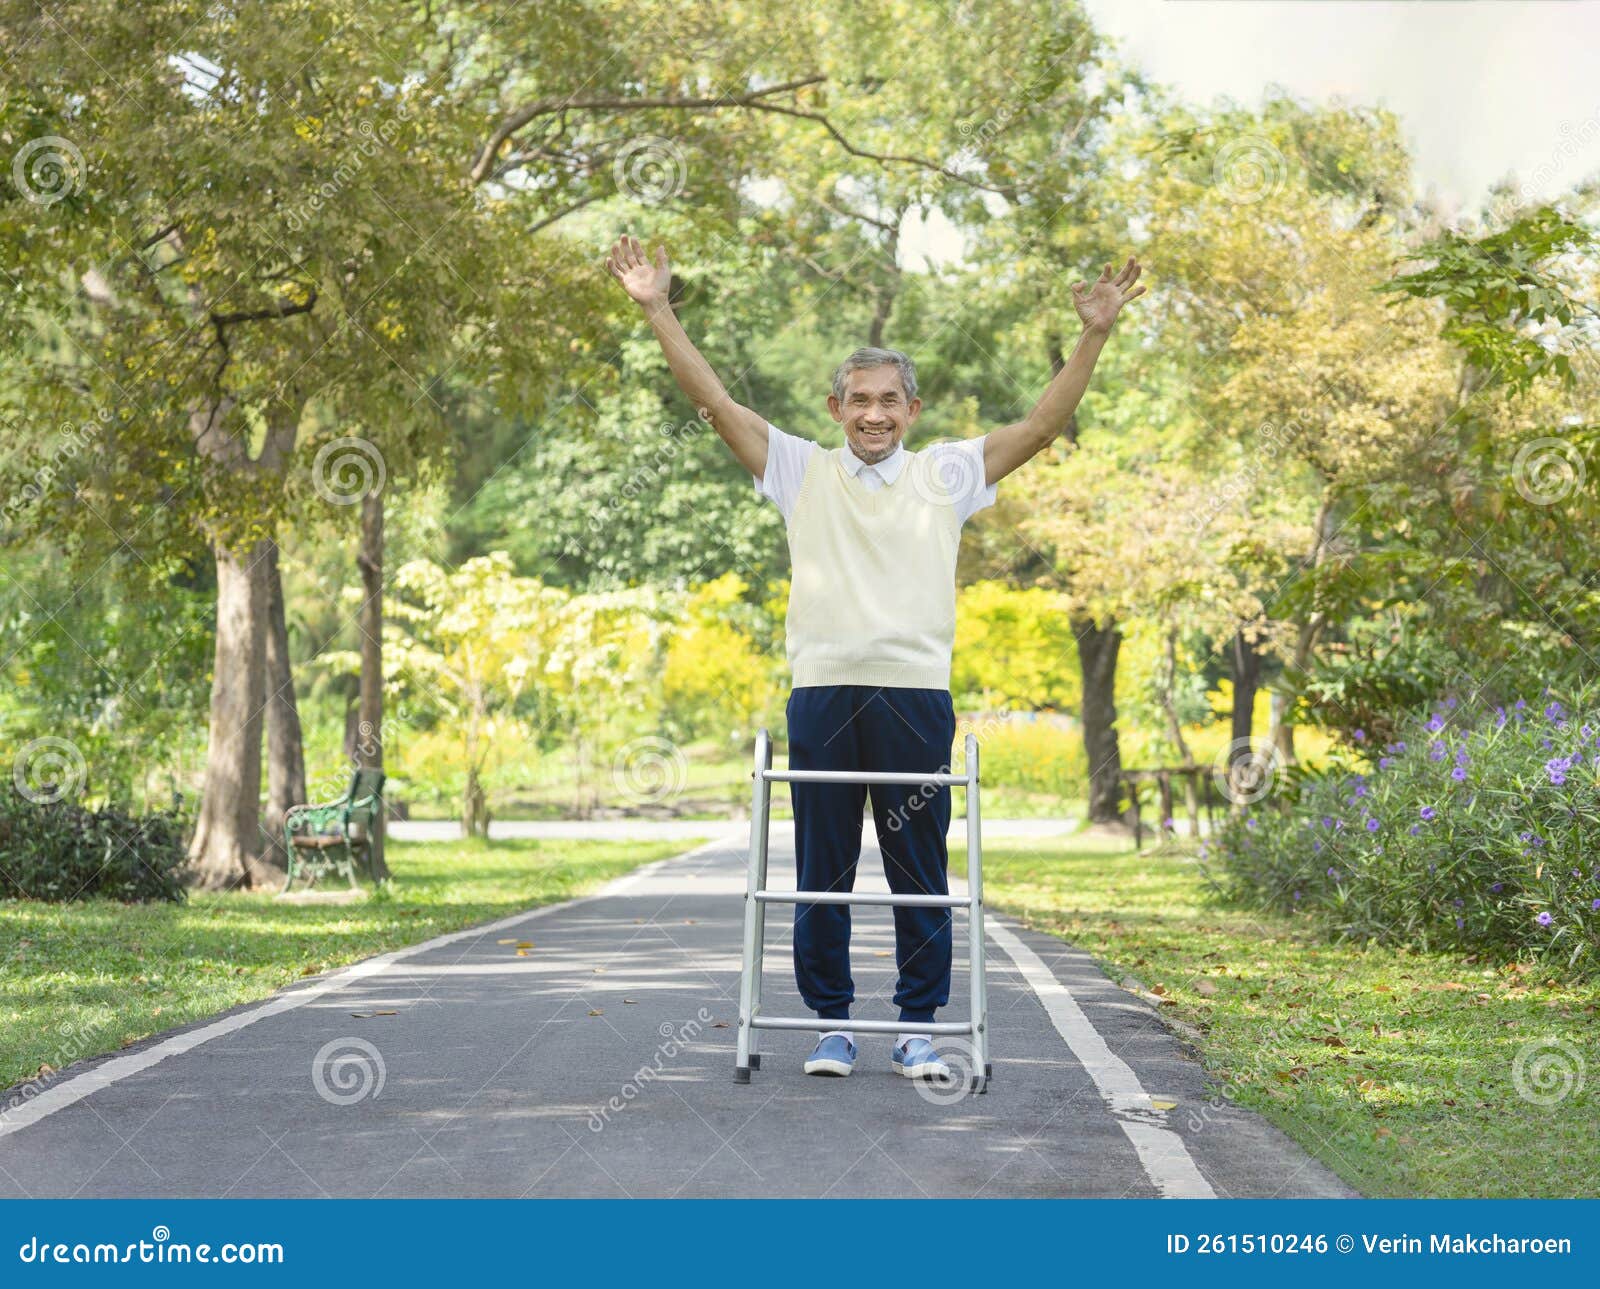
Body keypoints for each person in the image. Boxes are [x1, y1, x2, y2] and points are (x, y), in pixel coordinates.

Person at [605, 234, 1144, 1079]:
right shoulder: (798, 469)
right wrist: (656, 306)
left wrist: (1095, 334)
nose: (874, 414)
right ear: (835, 408)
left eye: (889, 400)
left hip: (914, 696)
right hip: (822, 693)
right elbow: (714, 403)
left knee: (917, 870)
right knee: (823, 871)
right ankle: (831, 1024)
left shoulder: (948, 475)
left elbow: (1043, 425)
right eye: (858, 399)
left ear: (912, 410)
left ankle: (919, 1025)